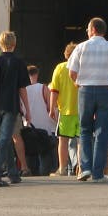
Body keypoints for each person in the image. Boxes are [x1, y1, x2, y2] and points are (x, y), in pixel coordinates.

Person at [68, 17, 108, 182]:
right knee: (102, 131)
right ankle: (98, 173)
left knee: (85, 129)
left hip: (85, 89)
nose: (86, 31)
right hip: (106, 90)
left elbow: (71, 72)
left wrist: (78, 84)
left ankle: (85, 168)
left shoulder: (81, 47)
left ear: (93, 29)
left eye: (87, 29)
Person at [0, 31, 31, 187]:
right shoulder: (18, 62)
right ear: (14, 44)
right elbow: (22, 89)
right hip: (10, 105)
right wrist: (27, 110)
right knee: (4, 139)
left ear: (0, 44)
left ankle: (13, 174)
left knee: (6, 139)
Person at [48, 42, 79, 176]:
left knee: (63, 141)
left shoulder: (60, 68)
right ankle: (82, 168)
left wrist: (51, 108)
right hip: (81, 110)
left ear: (66, 54)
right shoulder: (81, 67)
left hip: (65, 111)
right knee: (81, 141)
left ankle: (62, 168)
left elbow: (54, 90)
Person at [23, 65, 57, 175]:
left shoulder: (22, 90)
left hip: (28, 127)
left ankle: (32, 175)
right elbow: (49, 105)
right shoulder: (43, 88)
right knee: (45, 154)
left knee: (30, 154)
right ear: (36, 74)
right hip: (44, 128)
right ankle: (44, 175)